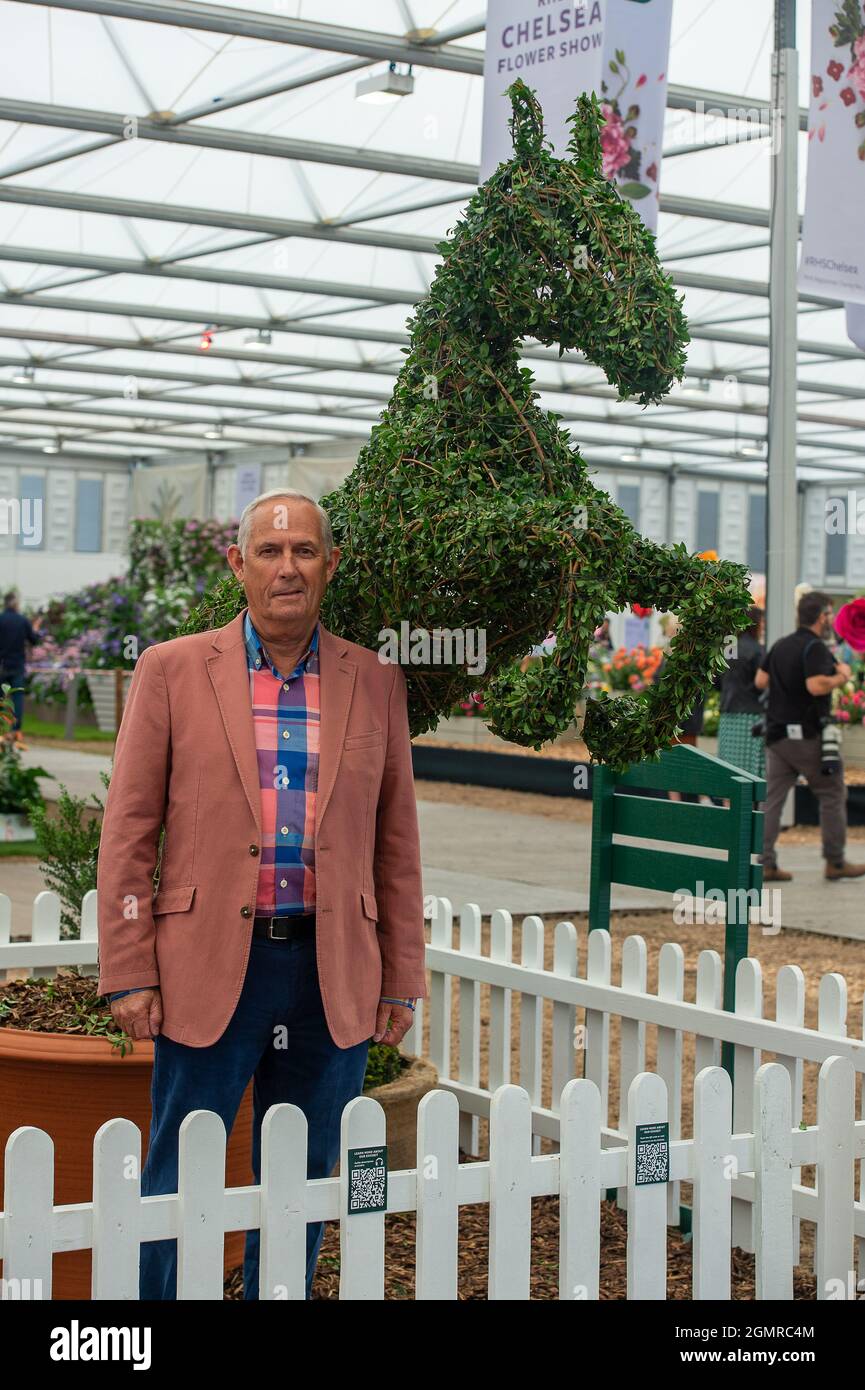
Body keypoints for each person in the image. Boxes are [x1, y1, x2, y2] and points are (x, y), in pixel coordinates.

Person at [96, 488, 428, 1300]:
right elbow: (129, 832)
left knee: (306, 1173)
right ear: (238, 564)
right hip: (208, 965)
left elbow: (396, 844)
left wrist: (400, 974)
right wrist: (129, 967)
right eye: (270, 552)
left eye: (305, 551)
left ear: (330, 565)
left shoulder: (375, 681)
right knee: (183, 1169)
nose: (289, 568)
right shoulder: (171, 670)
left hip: (329, 971)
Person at [756, 590, 865, 882]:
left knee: (772, 801)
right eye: (829, 614)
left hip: (777, 737)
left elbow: (761, 680)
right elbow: (816, 686)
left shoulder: (781, 645)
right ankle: (836, 861)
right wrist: (841, 676)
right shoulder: (815, 648)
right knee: (832, 793)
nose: (831, 619)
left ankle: (765, 863)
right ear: (822, 617)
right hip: (807, 737)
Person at [716, 605, 766, 779]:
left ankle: (727, 804)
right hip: (751, 715)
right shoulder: (758, 650)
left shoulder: (729, 647)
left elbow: (716, 680)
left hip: (727, 714)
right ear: (755, 624)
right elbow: (763, 684)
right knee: (749, 773)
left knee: (728, 770)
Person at [0, 591, 42, 748]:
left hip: (1, 665)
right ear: (15, 603)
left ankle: (1, 731)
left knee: (1, 700)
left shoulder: (1, 619)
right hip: (17, 665)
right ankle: (16, 731)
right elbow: (34, 640)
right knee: (17, 698)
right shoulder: (22, 621)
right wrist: (35, 628)